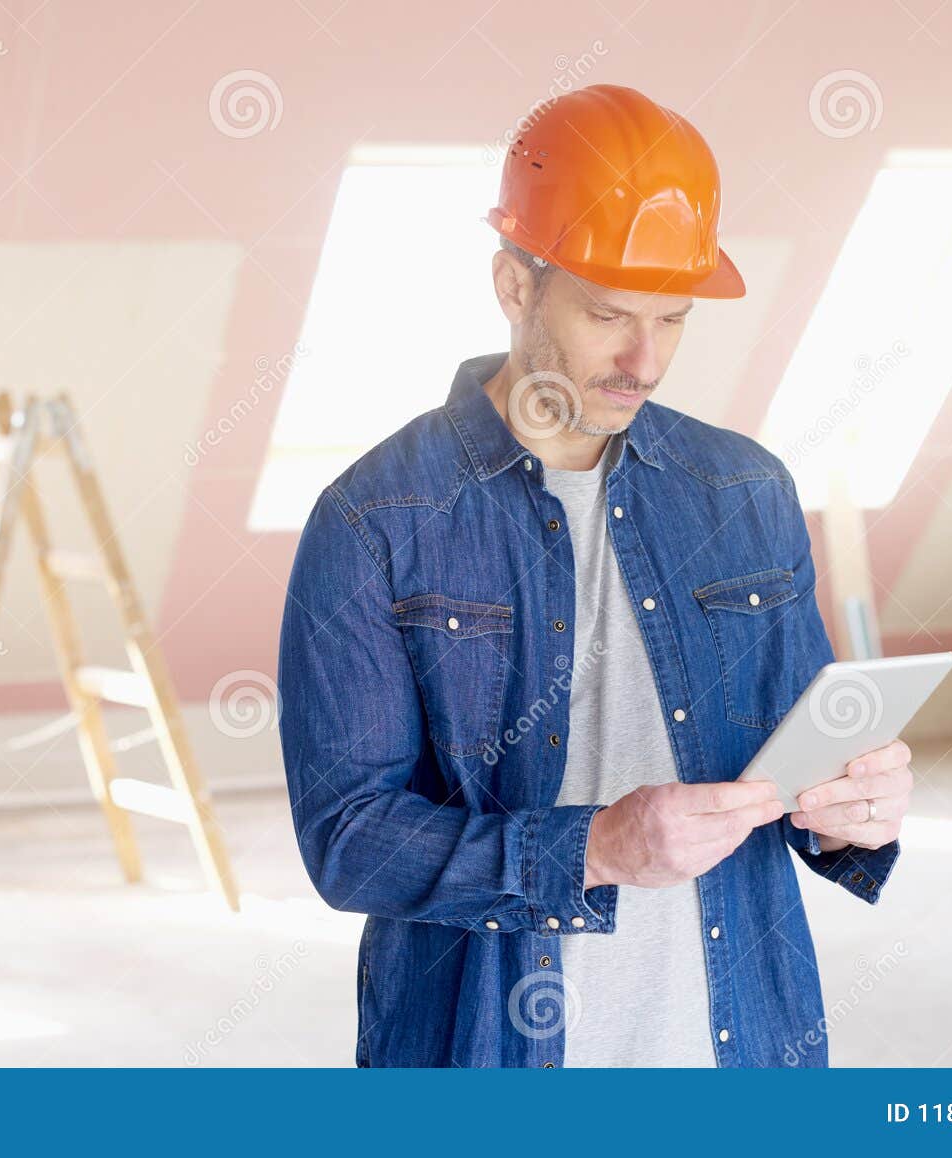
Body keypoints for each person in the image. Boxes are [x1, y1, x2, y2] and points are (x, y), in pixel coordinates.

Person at [277, 84, 911, 1068]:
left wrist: (851, 816)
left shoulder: (745, 490)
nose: (643, 361)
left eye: (672, 318)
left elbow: (802, 766)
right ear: (514, 284)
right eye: (608, 314)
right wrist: (594, 851)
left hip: (739, 1044)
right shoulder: (375, 519)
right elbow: (349, 839)